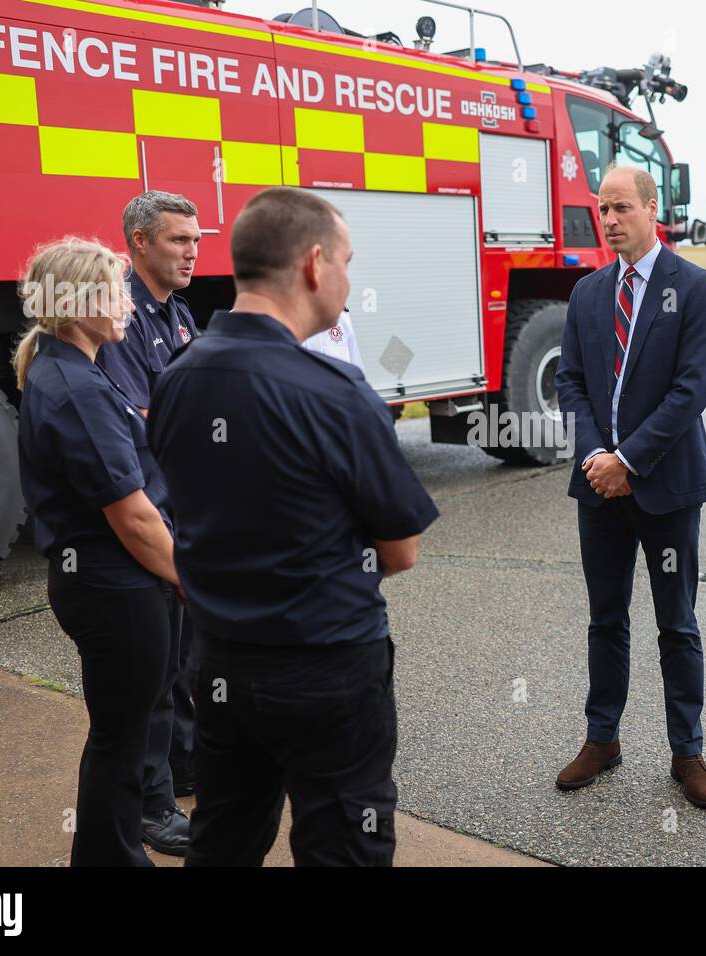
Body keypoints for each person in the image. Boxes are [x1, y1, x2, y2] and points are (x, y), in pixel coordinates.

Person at [147, 186, 439, 866]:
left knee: (224, 834)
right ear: (313, 265)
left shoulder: (177, 377)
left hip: (219, 662)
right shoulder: (337, 395)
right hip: (327, 667)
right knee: (343, 843)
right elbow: (400, 549)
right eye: (346, 260)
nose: (347, 277)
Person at [553, 166, 706, 809]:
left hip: (666, 487)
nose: (611, 219)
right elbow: (569, 382)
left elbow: (691, 390)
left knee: (677, 623)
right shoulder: (588, 294)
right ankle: (603, 738)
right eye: (603, 209)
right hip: (598, 485)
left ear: (653, 210)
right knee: (606, 618)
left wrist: (630, 459)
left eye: (622, 206)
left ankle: (689, 752)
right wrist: (599, 455)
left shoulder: (697, 289)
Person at [13, 237, 183, 867]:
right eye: (116, 292)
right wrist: (189, 579)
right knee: (122, 734)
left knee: (122, 729)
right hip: (118, 587)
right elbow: (133, 516)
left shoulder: (69, 369)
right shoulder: (78, 387)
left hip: (106, 583)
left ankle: (104, 854)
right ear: (76, 302)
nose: (129, 306)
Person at [96, 190, 202, 855]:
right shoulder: (123, 319)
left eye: (195, 239)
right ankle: (152, 805)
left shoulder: (180, 313)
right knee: (157, 676)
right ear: (139, 242)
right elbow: (143, 424)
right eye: (178, 241)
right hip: (154, 516)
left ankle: (183, 769)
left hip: (186, 506)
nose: (192, 251)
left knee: (187, 659)